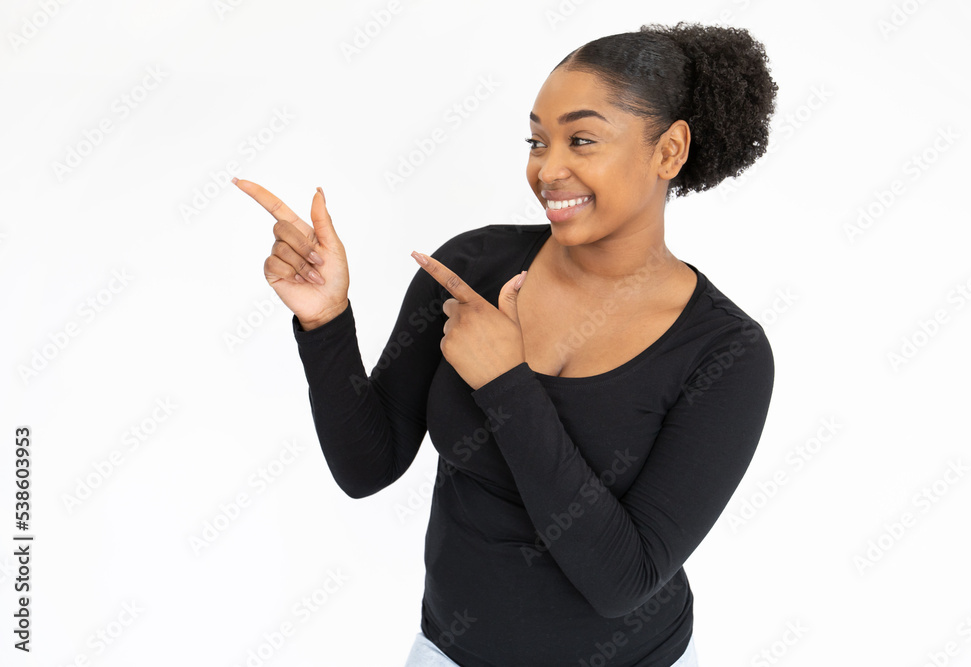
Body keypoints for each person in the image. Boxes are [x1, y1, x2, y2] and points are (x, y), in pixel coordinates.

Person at [235, 20, 778, 667]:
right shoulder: (473, 267)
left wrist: (506, 382)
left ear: (669, 150)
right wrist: (326, 321)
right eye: (537, 140)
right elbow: (367, 467)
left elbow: (621, 580)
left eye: (581, 139)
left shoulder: (726, 352)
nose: (548, 168)